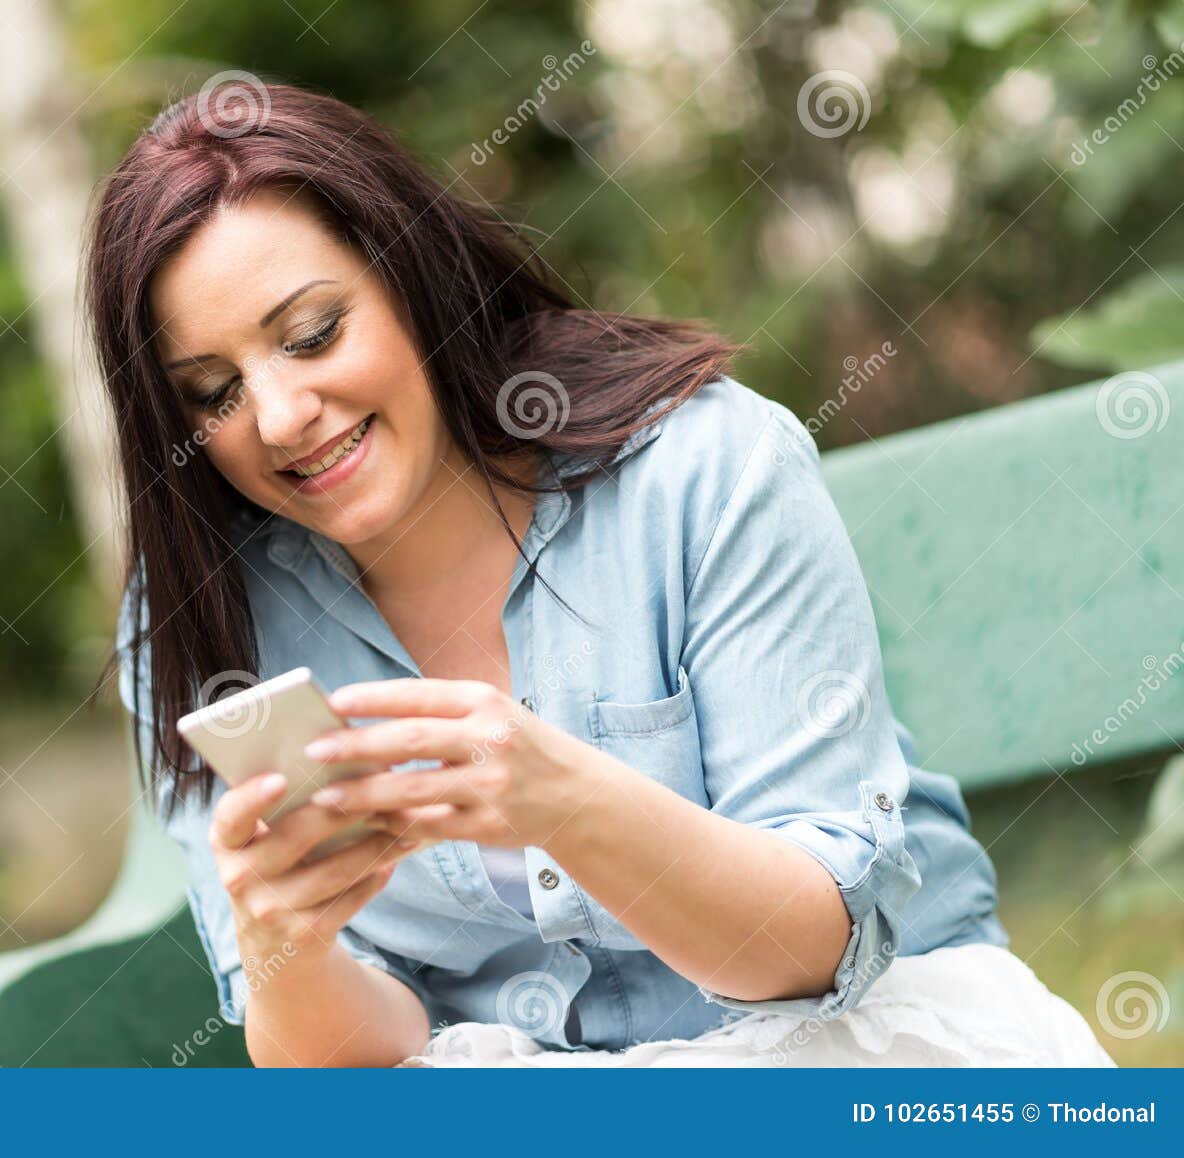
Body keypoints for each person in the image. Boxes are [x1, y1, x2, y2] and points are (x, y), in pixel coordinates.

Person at [89, 80, 1114, 1068]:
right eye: (211, 393)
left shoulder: (704, 473)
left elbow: (810, 955)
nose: (277, 418)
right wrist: (292, 950)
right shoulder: (197, 622)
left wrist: (564, 802)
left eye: (313, 335)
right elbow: (357, 1062)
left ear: (411, 279)